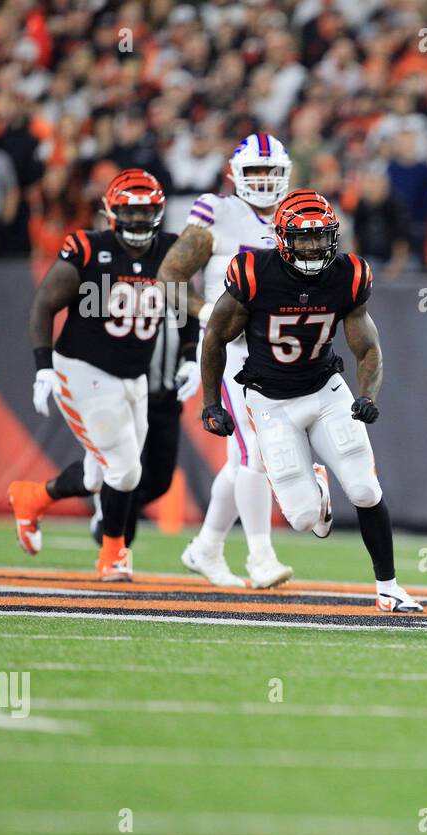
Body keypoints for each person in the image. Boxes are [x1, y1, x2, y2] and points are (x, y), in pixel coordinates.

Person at [199, 189, 421, 612]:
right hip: (269, 401)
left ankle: (389, 587)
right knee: (302, 519)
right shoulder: (254, 273)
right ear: (282, 238)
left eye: (320, 238)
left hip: (325, 391)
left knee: (364, 489)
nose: (313, 246)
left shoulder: (347, 275)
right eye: (303, 238)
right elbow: (215, 337)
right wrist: (212, 403)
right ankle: (317, 481)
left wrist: (368, 394)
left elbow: (368, 348)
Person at [7, 170, 189, 581]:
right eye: (131, 211)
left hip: (135, 377)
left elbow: (186, 306)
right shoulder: (88, 248)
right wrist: (43, 367)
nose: (140, 221)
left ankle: (31, 497)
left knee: (97, 475)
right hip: (83, 369)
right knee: (125, 470)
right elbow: (43, 305)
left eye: (147, 213)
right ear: (111, 212)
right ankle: (113, 556)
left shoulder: (172, 250)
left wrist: (193, 358)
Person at [157, 133, 296, 589]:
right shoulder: (217, 211)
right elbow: (171, 276)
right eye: (252, 172)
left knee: (240, 462)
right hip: (229, 349)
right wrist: (208, 316)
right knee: (254, 451)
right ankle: (260, 557)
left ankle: (207, 547)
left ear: (284, 174)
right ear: (235, 175)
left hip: (274, 350)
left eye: (268, 172)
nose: (260, 181)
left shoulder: (299, 215)